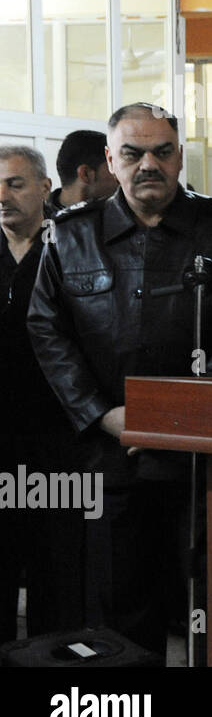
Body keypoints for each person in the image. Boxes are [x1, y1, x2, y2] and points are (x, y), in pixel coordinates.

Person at [28, 103, 212, 656]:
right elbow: (47, 329)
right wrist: (101, 413)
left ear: (180, 156)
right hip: (112, 454)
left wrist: (182, 414)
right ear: (110, 160)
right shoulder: (69, 234)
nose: (148, 165)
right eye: (133, 154)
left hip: (205, 456)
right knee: (119, 612)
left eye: (162, 152)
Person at [0, 147, 83, 644]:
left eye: (15, 183)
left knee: (58, 573)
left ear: (44, 187)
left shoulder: (71, 245)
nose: (2, 195)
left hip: (58, 440)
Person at [49, 130, 114, 212]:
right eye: (113, 167)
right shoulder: (35, 220)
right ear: (85, 174)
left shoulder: (122, 216)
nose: (121, 175)